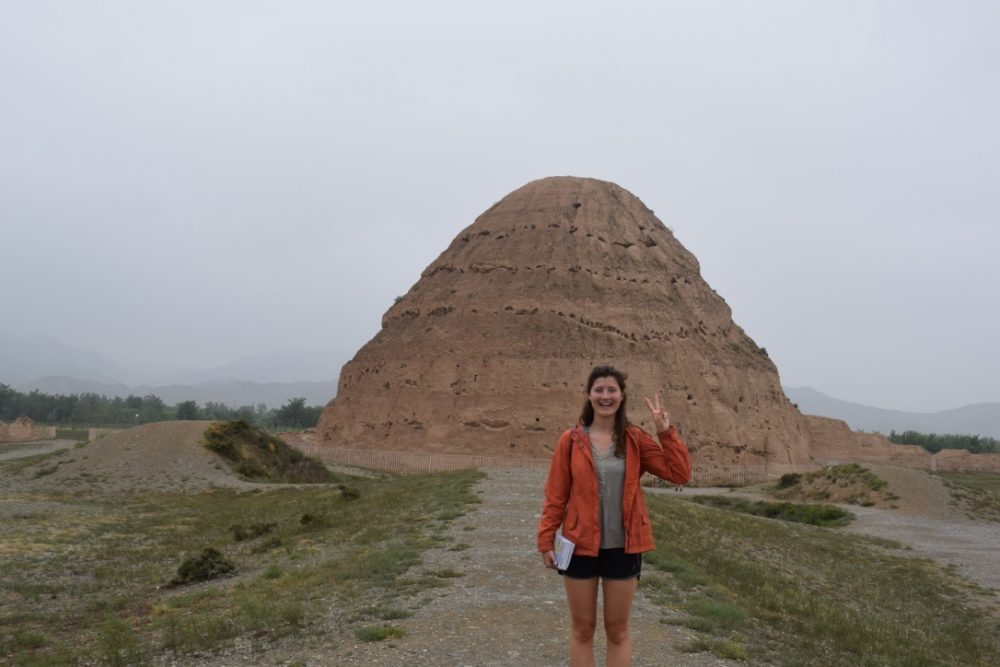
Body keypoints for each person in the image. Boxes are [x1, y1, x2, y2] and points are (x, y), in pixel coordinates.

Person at [537, 365, 692, 667]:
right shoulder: (570, 440)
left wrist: (664, 431)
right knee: (582, 630)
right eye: (599, 390)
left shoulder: (635, 439)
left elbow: (679, 473)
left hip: (624, 547)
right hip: (579, 546)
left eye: (612, 390)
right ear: (589, 395)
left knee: (618, 631)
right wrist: (545, 539)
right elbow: (556, 496)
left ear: (621, 396)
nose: (605, 396)